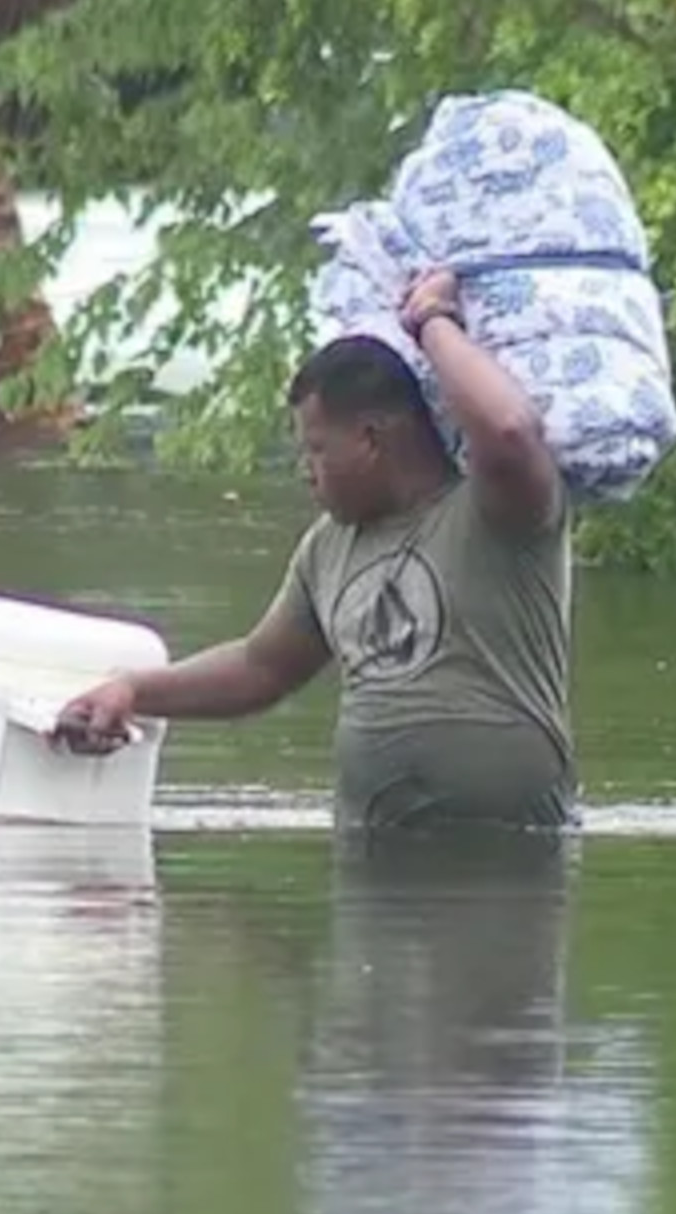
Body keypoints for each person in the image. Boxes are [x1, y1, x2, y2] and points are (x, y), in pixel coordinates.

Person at [51, 266, 577, 831]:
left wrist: (432, 318)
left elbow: (509, 430)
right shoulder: (327, 549)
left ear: (372, 439)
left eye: (317, 450)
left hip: (517, 857)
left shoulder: (497, 513)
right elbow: (260, 667)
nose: (306, 473)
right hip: (373, 855)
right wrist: (132, 690)